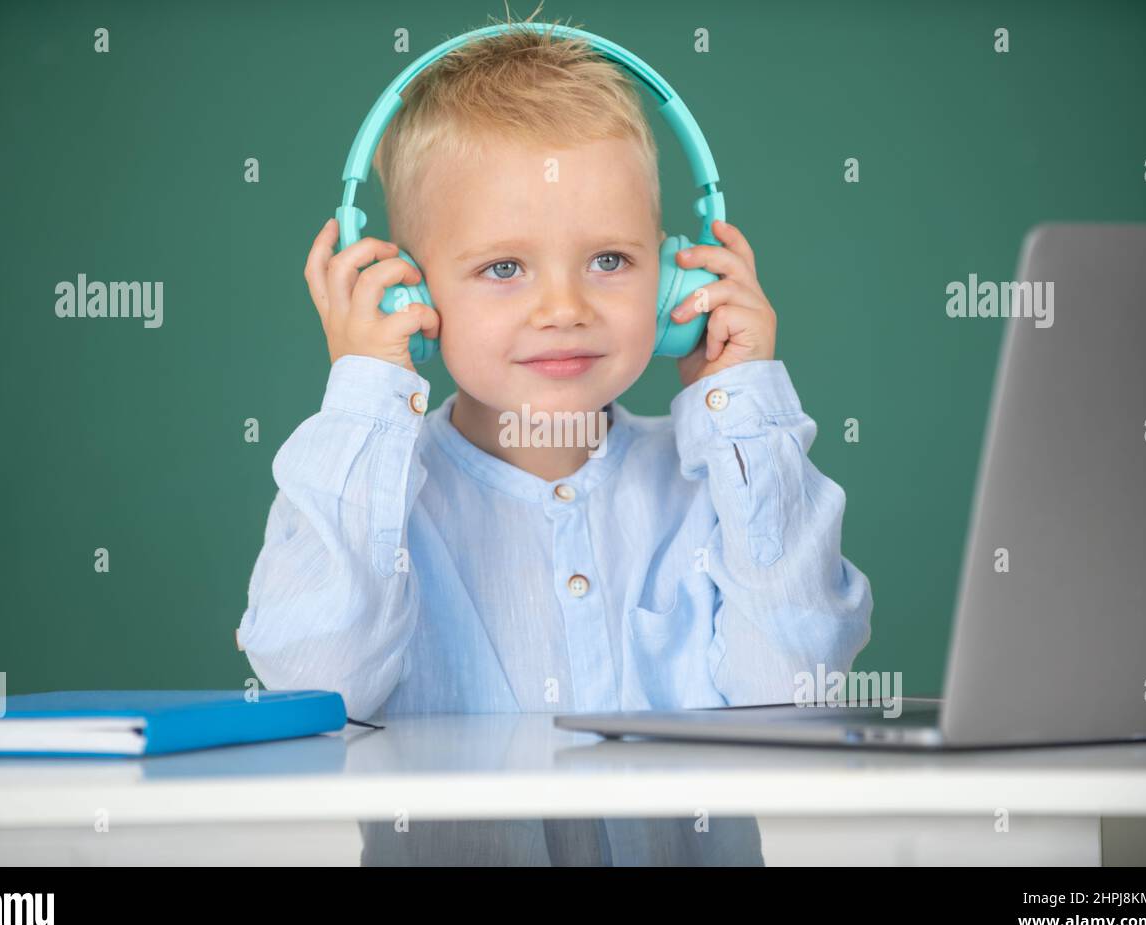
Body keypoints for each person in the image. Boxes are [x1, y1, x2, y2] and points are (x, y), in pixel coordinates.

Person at [237, 17, 872, 865]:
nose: (564, 307)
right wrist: (364, 396)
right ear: (409, 294)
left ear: (676, 277)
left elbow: (796, 700)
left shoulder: (714, 487)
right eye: (504, 268)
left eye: (610, 259)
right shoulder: (378, 502)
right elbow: (318, 686)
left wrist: (742, 405)